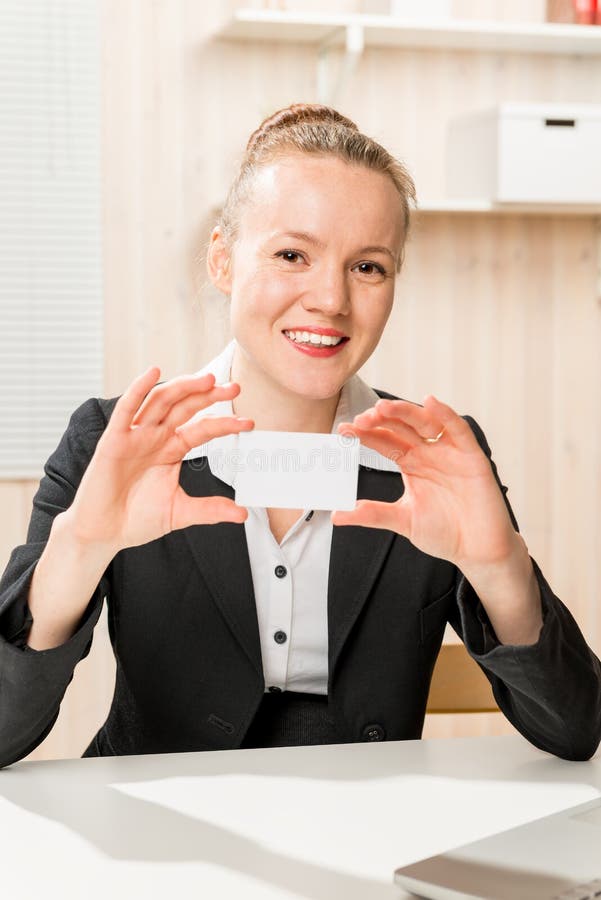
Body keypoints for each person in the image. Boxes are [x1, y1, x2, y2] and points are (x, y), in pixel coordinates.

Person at [0, 104, 599, 769]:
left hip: (364, 836)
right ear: (222, 262)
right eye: (292, 255)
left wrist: (498, 568)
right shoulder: (114, 441)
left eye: (368, 267)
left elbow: (574, 731)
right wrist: (81, 547)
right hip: (155, 830)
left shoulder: (433, 457)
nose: (331, 300)